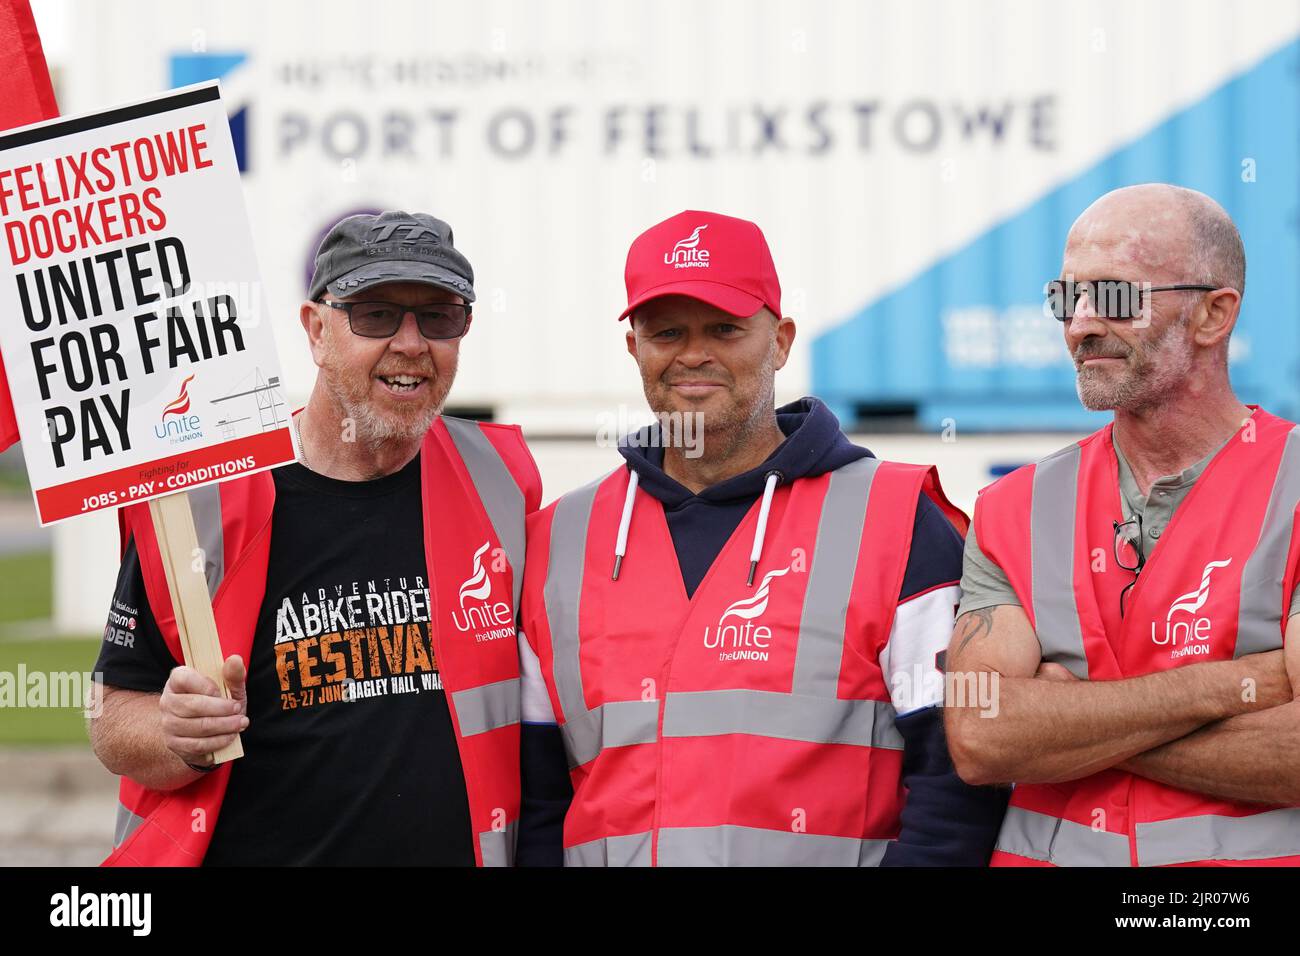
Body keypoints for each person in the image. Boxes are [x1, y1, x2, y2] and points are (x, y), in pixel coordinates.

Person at [514, 209, 1008, 866]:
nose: (694, 354)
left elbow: (956, 779)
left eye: (725, 329)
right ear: (634, 347)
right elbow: (540, 800)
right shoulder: (559, 540)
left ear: (779, 341)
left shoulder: (893, 519)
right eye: (667, 332)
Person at [89, 211, 541, 866]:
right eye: (376, 314)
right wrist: (177, 733)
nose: (412, 343)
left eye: (440, 316)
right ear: (316, 329)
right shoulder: (209, 500)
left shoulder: (501, 480)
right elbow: (109, 714)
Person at [945, 184, 1300, 866]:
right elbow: (981, 737)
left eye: (1113, 296)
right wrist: (1232, 686)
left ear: (1213, 314)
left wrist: (1066, 725)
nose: (1078, 326)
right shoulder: (1014, 507)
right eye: (1064, 299)